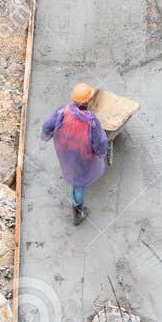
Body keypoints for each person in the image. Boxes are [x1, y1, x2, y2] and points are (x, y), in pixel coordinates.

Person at [41, 83, 107, 226]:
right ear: (88, 101)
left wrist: (54, 133)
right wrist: (101, 153)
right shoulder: (91, 121)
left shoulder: (63, 111)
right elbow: (100, 142)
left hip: (65, 151)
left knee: (71, 170)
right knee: (79, 182)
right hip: (82, 156)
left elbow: (47, 125)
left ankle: (77, 208)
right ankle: (78, 214)